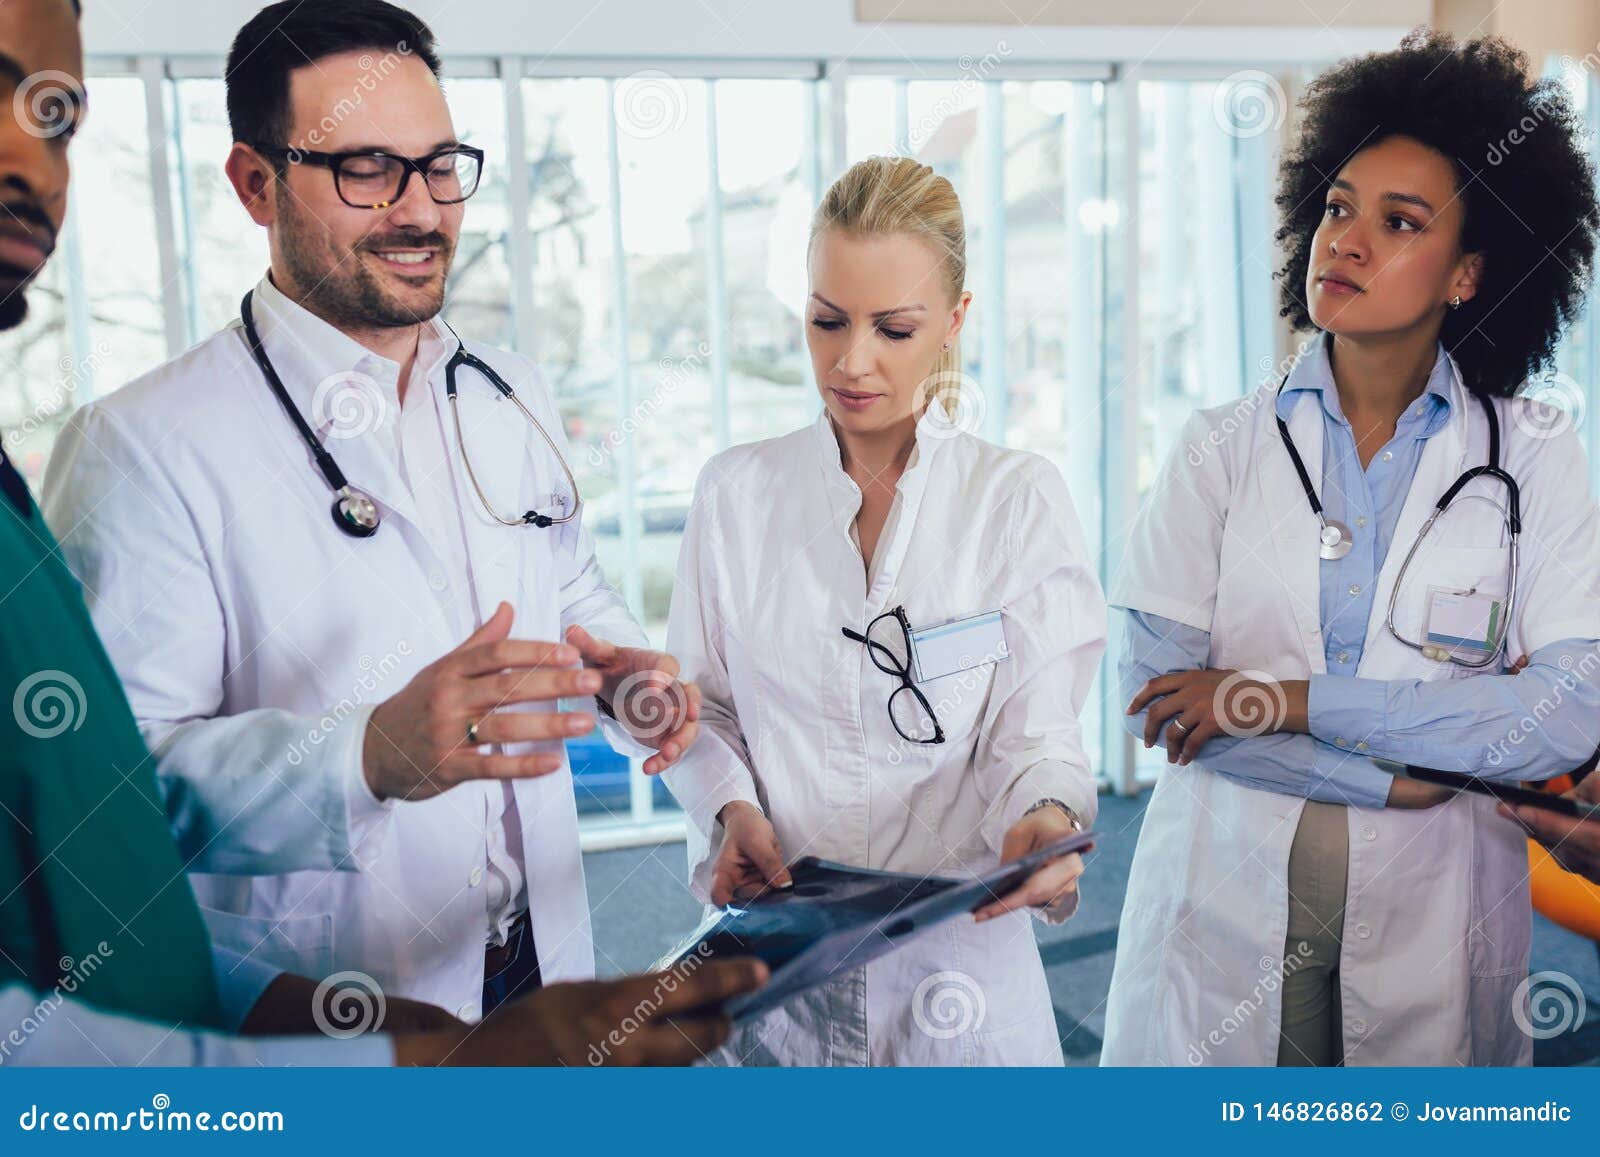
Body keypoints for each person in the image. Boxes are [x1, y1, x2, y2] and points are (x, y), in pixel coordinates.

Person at [0, 0, 765, 1066]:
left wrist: (616, 675)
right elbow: (110, 807)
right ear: (254, 184)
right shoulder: (141, 444)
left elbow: (569, 585)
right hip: (320, 1004)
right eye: (367, 169)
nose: (421, 210)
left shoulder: (508, 391)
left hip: (539, 959)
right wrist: (367, 754)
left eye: (440, 165)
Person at [1102, 30, 1600, 1067]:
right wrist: (1398, 776)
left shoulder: (1537, 452)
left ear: (1468, 274)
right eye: (1338, 207)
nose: (1347, 241)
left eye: (1398, 222)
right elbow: (1161, 697)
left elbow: (1565, 712)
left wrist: (1281, 698)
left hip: (1440, 901)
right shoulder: (1219, 446)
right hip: (1225, 892)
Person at [661, 156, 1105, 1066]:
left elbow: (1036, 733)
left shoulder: (1014, 499)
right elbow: (704, 709)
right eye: (828, 321)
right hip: (781, 982)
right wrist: (729, 809)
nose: (851, 361)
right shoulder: (736, 494)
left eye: (893, 329)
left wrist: (1048, 815)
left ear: (954, 320)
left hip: (961, 981)